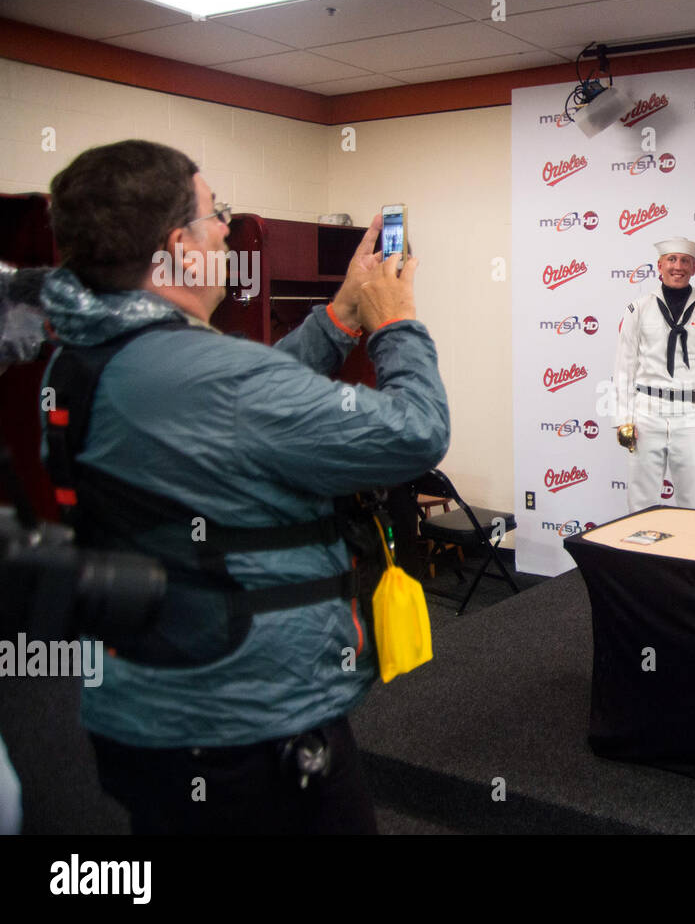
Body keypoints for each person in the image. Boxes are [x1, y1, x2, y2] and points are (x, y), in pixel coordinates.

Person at [40, 139, 449, 832]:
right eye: (214, 213)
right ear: (179, 247)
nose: (228, 227)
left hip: (147, 711)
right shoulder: (215, 376)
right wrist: (396, 322)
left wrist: (340, 315)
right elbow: (414, 433)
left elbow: (234, 407)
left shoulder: (84, 355)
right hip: (253, 733)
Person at [613, 237, 695, 512]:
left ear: (694, 267)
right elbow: (624, 366)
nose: (678, 267)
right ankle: (640, 555)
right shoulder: (638, 308)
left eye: (685, 261)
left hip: (689, 412)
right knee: (642, 498)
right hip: (647, 411)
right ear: (659, 266)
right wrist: (623, 419)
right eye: (672, 260)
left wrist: (692, 384)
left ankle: (688, 553)